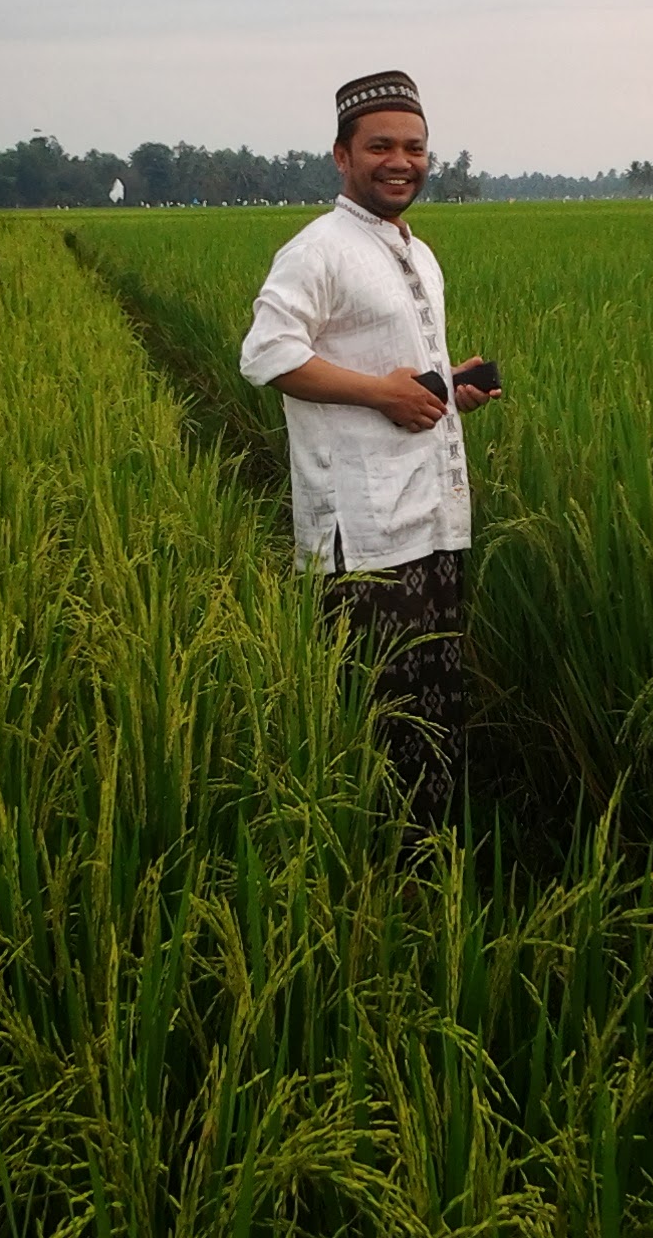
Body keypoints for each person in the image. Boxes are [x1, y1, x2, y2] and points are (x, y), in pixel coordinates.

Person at [239, 70, 499, 824]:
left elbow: (391, 364)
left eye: (413, 147)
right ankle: (376, 875)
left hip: (433, 519)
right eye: (379, 145)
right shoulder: (316, 250)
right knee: (381, 722)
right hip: (364, 537)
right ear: (341, 156)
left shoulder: (418, 252)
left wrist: (445, 388)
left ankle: (436, 867)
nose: (400, 160)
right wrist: (382, 393)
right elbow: (265, 355)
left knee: (436, 715)